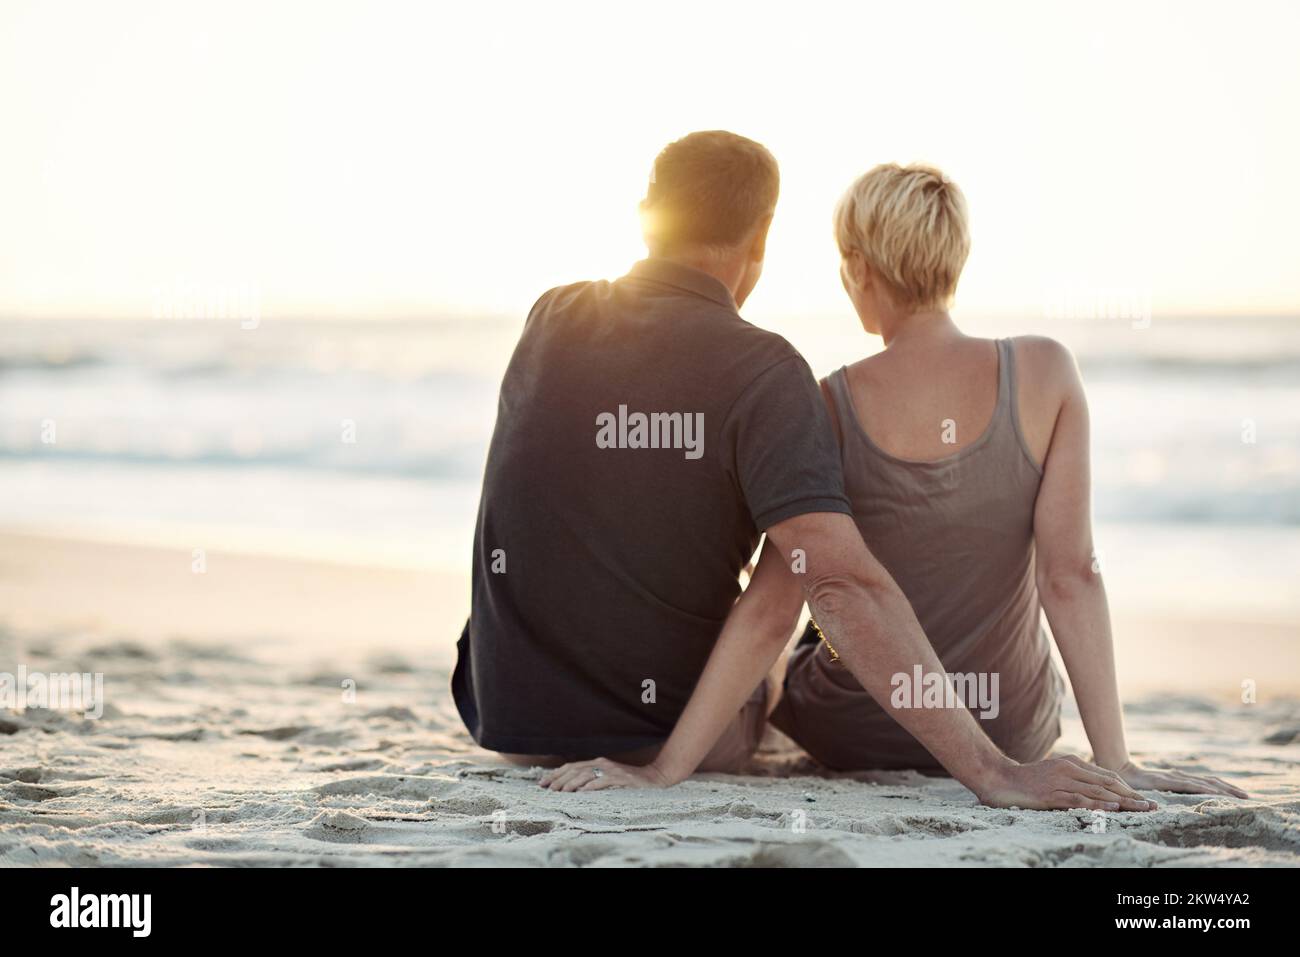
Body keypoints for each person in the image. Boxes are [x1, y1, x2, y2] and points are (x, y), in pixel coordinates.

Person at [458, 132, 1154, 811]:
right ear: (760, 240)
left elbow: (757, 596)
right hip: (986, 723)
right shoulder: (778, 373)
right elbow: (1057, 575)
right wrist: (1026, 767)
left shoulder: (552, 315)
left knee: (768, 627)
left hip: (503, 714)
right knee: (782, 624)